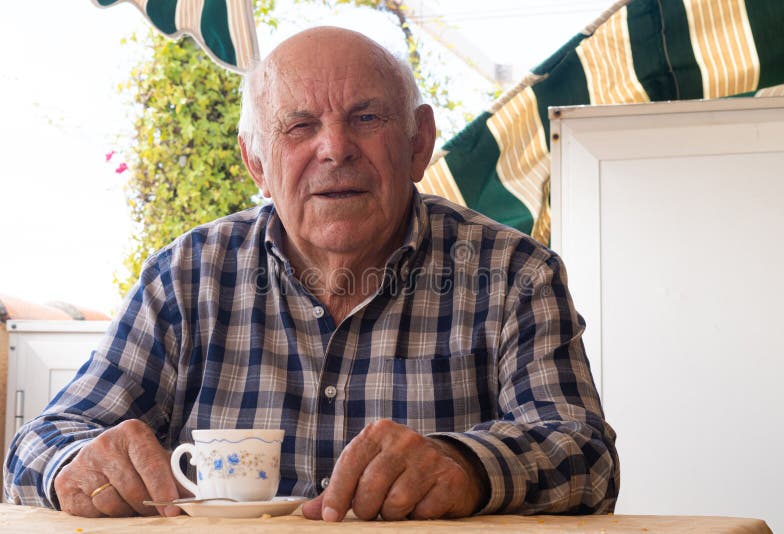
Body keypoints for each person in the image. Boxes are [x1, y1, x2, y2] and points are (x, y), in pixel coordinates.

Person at [4, 27, 619, 520]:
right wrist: (74, 465)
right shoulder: (187, 277)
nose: (334, 148)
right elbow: (41, 440)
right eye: (300, 126)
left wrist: (470, 467)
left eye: (367, 118)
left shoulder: (513, 273)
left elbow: (587, 457)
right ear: (257, 164)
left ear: (418, 143)